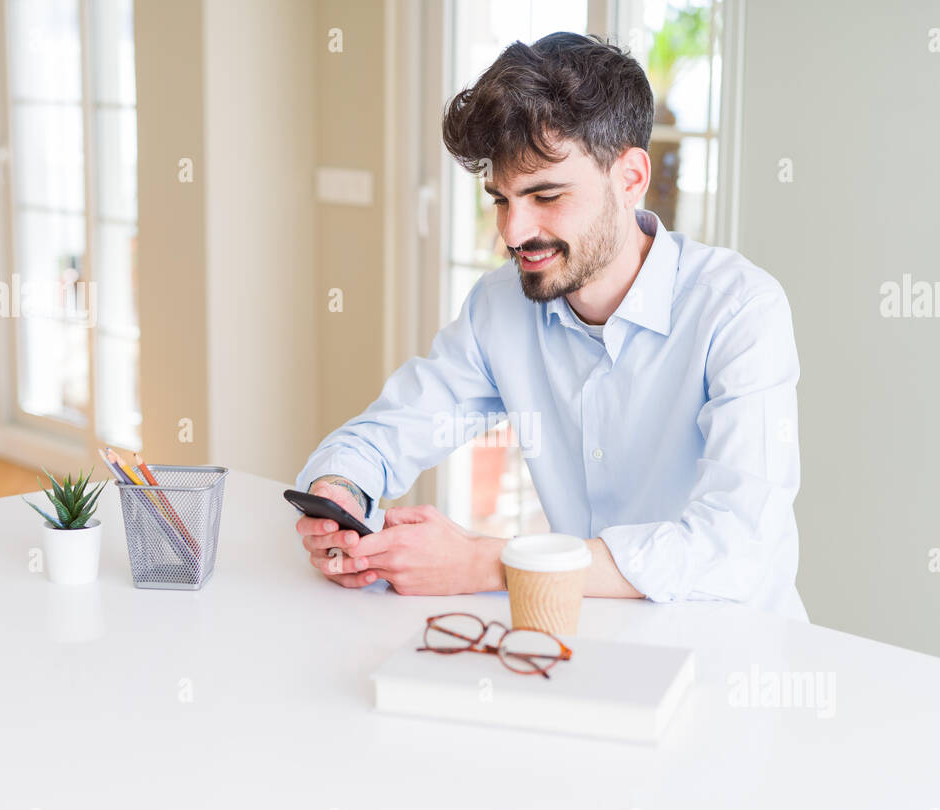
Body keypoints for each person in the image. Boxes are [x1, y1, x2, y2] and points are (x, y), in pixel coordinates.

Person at [294, 32, 808, 621]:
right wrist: (340, 495)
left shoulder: (741, 310)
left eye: (545, 195)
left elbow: (735, 548)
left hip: (737, 657)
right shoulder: (502, 306)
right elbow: (385, 434)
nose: (513, 233)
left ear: (630, 177)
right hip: (592, 637)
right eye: (501, 200)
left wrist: (488, 563)